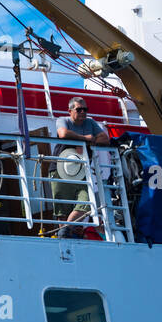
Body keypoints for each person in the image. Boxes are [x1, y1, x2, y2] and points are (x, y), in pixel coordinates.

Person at [52, 97, 112, 233]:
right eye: (79, 109)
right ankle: (66, 235)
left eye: (85, 109)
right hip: (60, 168)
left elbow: (105, 139)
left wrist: (88, 141)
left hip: (81, 170)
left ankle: (64, 232)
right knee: (62, 207)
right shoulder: (63, 120)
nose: (83, 112)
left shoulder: (90, 122)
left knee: (87, 202)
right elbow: (63, 134)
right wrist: (86, 139)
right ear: (70, 111)